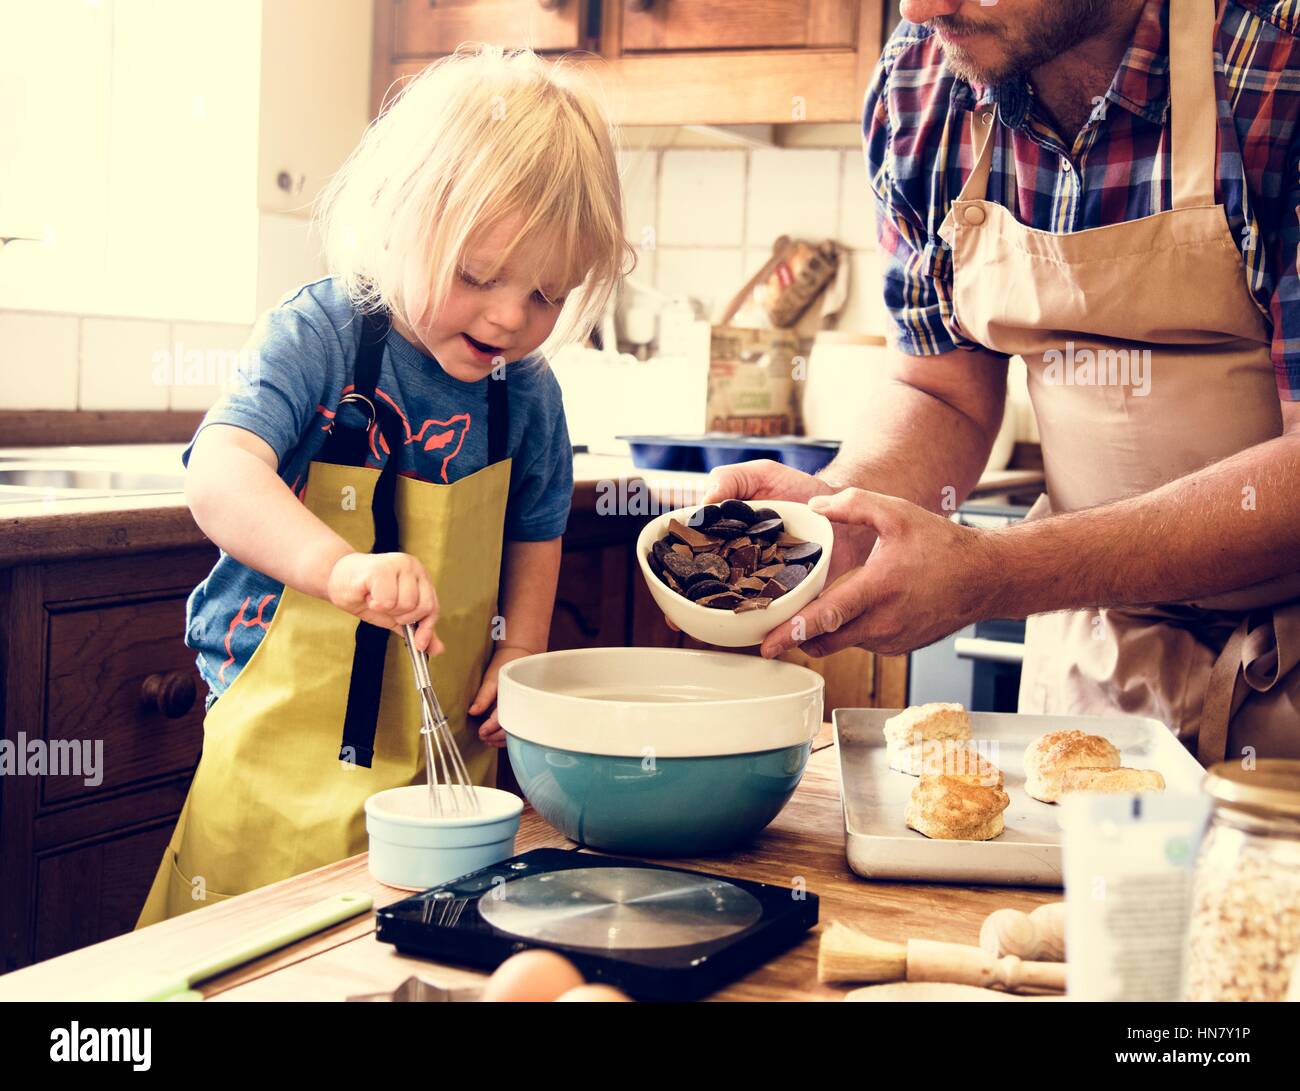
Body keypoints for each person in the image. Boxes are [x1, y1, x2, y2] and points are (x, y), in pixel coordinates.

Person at [704, 0, 1300, 763]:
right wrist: (839, 514)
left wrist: (994, 573)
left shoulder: (1275, 69)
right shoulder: (924, 80)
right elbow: (940, 390)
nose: (921, 9)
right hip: (1100, 677)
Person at [137, 45, 634, 925]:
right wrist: (340, 568)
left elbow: (537, 529)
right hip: (273, 764)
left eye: (547, 294)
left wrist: (518, 648)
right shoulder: (319, 337)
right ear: (397, 223)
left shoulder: (527, 392)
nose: (510, 318)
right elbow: (219, 476)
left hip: (439, 771)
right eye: (478, 277)